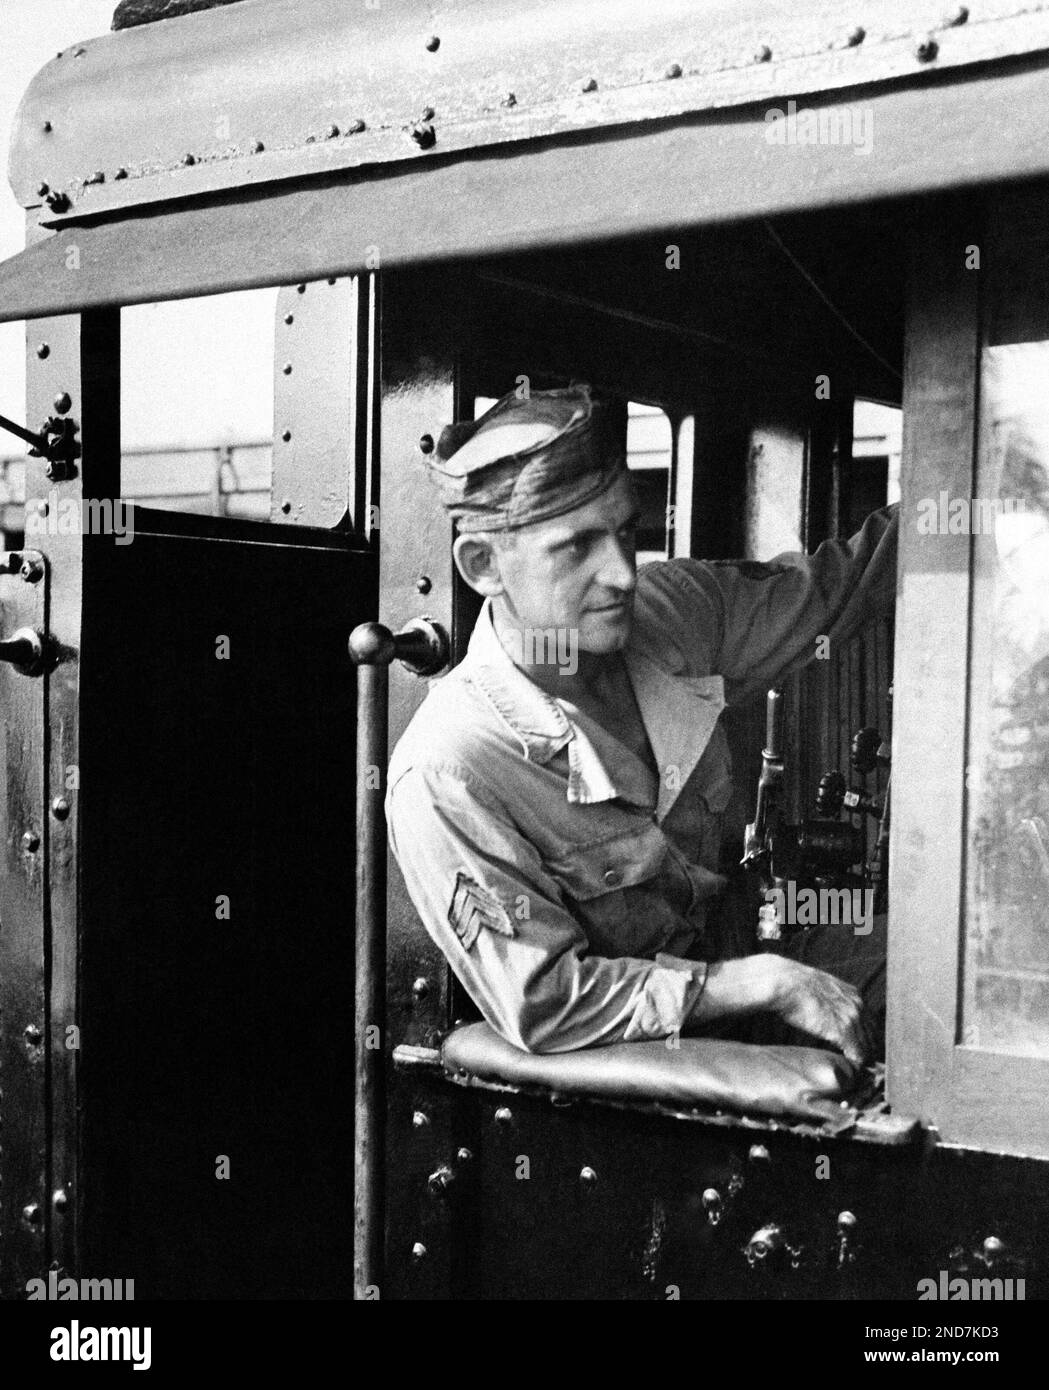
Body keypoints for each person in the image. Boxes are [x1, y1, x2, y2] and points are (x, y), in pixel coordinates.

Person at [386, 385, 897, 1065]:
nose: (623, 574)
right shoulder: (450, 768)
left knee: (945, 965)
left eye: (627, 532)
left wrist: (989, 489)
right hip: (656, 1025)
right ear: (483, 566)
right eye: (576, 549)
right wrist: (758, 984)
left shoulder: (668, 609)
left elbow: (842, 585)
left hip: (761, 930)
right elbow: (545, 1000)